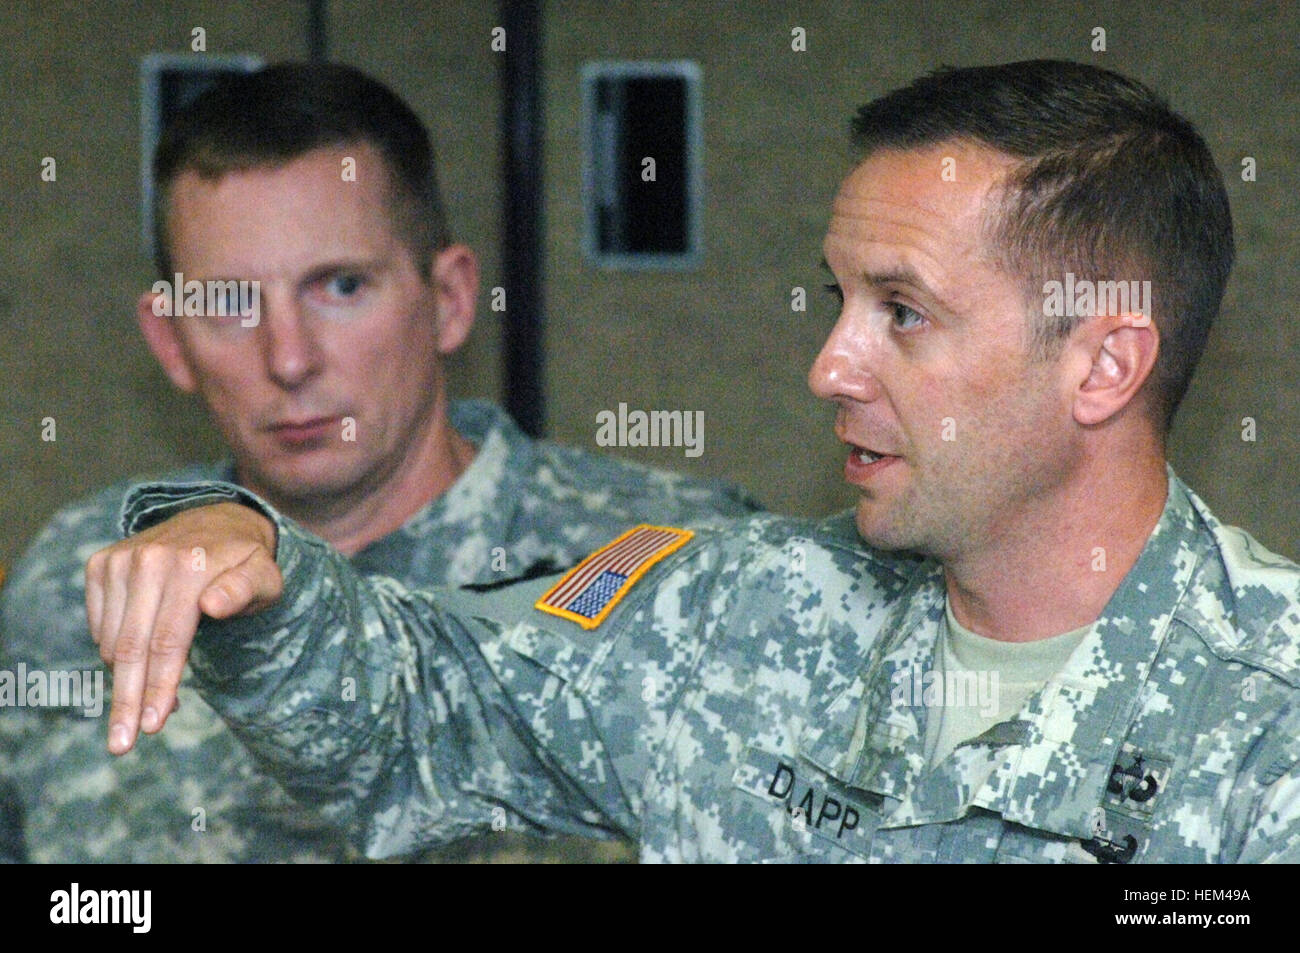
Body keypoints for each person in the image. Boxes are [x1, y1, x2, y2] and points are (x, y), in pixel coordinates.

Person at [89, 60, 1300, 863]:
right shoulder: (735, 609)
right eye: (840, 300)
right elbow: (414, 714)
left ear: (1102, 364)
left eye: (904, 312)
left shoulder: (1266, 723)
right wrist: (248, 558)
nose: (831, 366)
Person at [0, 62, 760, 864]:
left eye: (341, 286)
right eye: (227, 305)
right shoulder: (77, 580)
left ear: (450, 299)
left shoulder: (674, 566)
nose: (288, 358)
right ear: (170, 340)